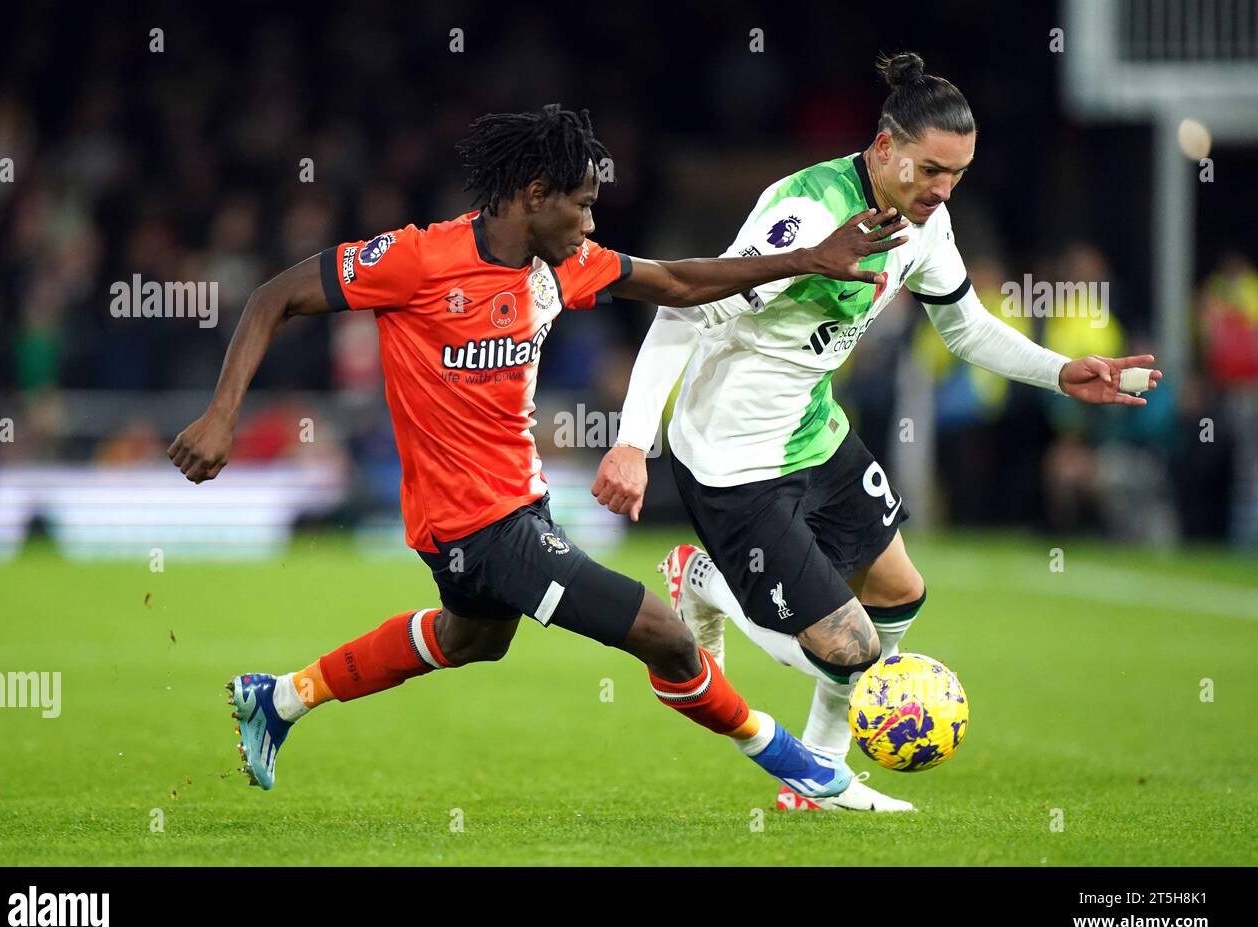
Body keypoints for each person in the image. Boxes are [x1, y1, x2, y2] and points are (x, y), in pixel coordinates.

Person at [168, 104, 908, 798]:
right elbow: (275, 295)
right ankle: (809, 770)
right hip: (475, 524)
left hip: (519, 503)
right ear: (533, 195)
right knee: (666, 638)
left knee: (472, 639)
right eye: (581, 204)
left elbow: (679, 282)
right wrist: (221, 415)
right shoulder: (418, 260)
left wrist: (806, 258)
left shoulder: (566, 265)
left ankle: (282, 699)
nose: (591, 220)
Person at [591, 54, 1162, 811]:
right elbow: (681, 310)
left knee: (900, 594)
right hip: (731, 452)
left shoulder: (927, 223)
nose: (941, 191)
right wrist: (633, 440)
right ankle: (706, 583)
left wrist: (1061, 372)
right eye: (930, 170)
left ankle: (816, 780)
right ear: (885, 146)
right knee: (854, 652)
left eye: (955, 176)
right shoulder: (803, 213)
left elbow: (964, 328)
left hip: (814, 429)